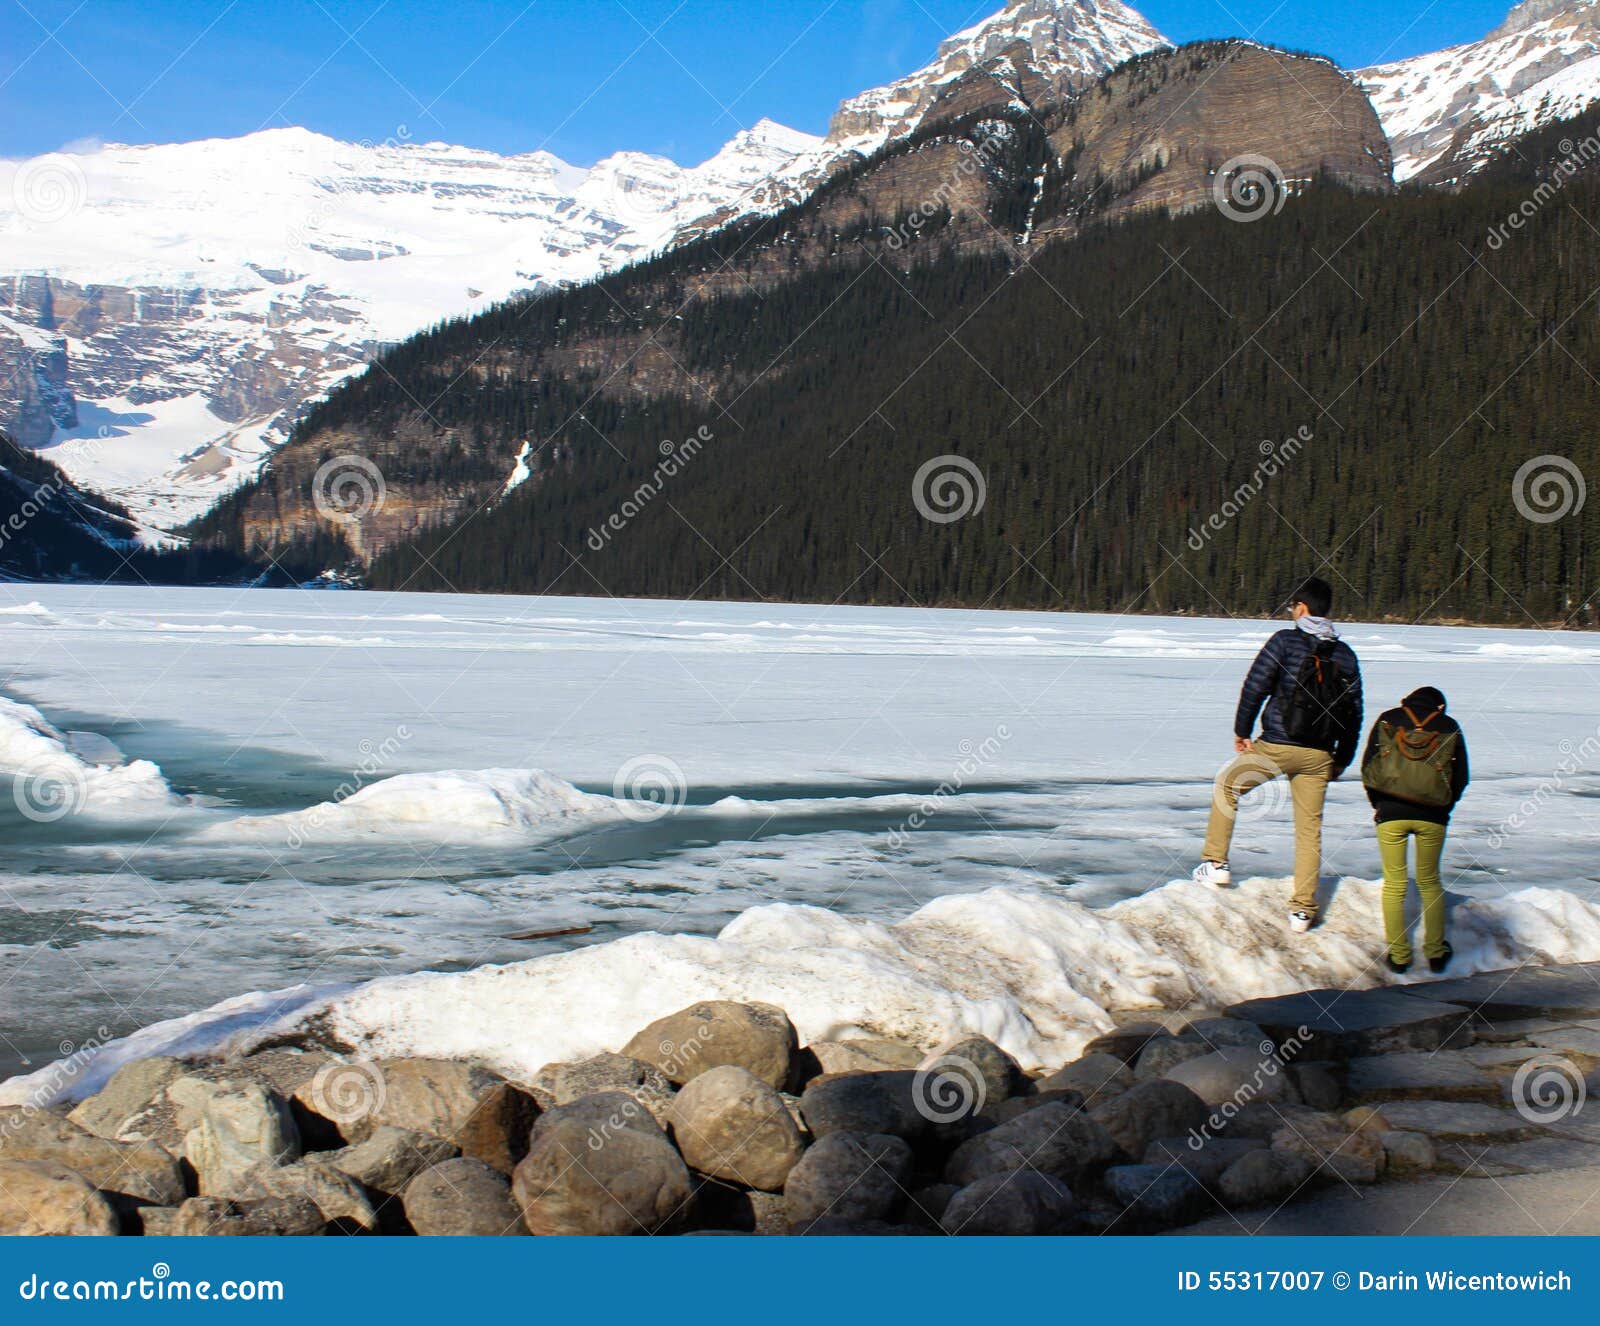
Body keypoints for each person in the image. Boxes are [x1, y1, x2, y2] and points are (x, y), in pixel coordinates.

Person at [1193, 576, 1363, 933]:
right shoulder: (1345, 655)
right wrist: (1342, 759)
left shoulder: (1285, 641)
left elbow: (1255, 686)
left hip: (1278, 745)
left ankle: (1215, 863)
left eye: (1292, 606)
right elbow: (1354, 712)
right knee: (1309, 831)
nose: (1291, 612)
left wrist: (1242, 731)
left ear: (1302, 607)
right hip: (1319, 755)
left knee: (1227, 785)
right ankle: (1302, 910)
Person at [1359, 686, 1469, 974]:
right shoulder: (1449, 726)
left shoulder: (1388, 719)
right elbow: (1461, 777)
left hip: (1390, 814)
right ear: (1439, 707)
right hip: (1433, 816)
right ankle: (1435, 953)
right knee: (1429, 881)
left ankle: (1399, 956)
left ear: (1407, 701)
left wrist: (1380, 805)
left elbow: (1369, 767)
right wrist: (1444, 808)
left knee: (1394, 884)